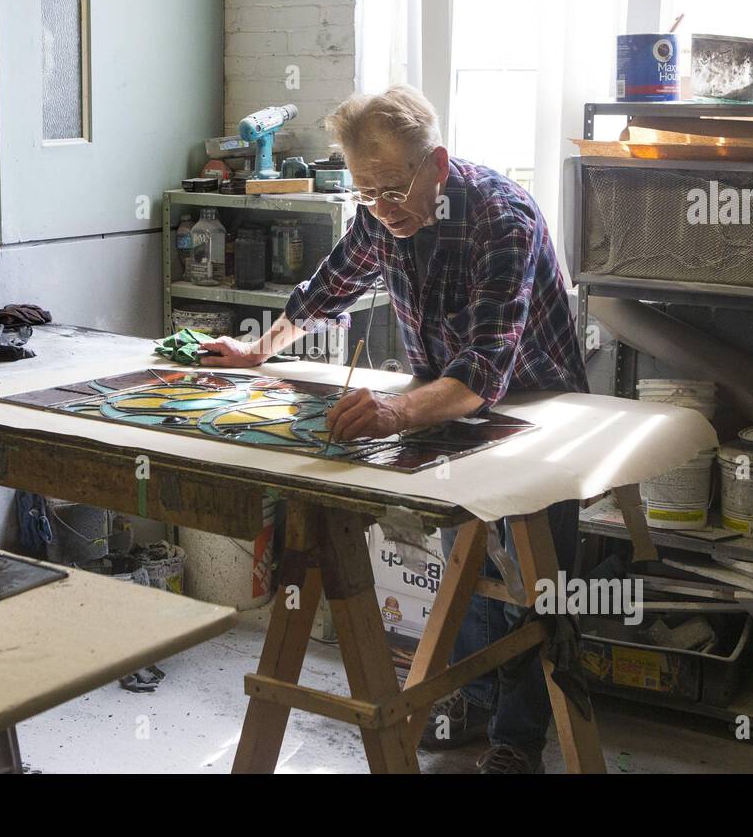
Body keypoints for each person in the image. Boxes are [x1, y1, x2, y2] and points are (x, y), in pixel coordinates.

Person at [202, 85, 588, 773]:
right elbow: (324, 292)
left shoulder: (504, 218)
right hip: (443, 404)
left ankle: (517, 741)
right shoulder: (383, 214)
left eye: (393, 189)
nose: (382, 209)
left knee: (538, 582)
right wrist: (257, 349)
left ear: (437, 163)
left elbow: (484, 373)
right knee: (462, 560)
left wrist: (393, 412)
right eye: (367, 194)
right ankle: (464, 698)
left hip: (540, 407)